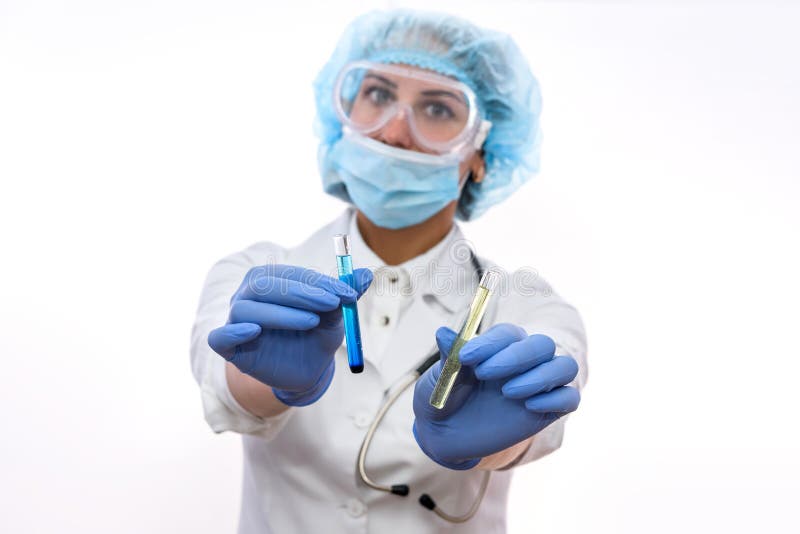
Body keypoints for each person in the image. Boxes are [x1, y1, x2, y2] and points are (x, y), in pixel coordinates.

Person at [190, 9, 588, 533]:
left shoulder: (523, 304)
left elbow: (548, 393)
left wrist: (496, 438)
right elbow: (223, 382)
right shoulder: (259, 275)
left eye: (439, 108)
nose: (396, 131)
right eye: (378, 95)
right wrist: (265, 380)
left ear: (481, 155)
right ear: (344, 113)